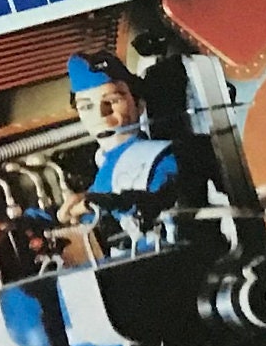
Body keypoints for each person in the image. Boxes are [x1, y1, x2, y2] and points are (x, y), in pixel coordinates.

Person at [58, 51, 192, 224]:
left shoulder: (158, 156)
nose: (101, 115)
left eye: (112, 101)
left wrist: (98, 203)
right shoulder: (107, 161)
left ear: (140, 104)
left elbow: (157, 199)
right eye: (86, 107)